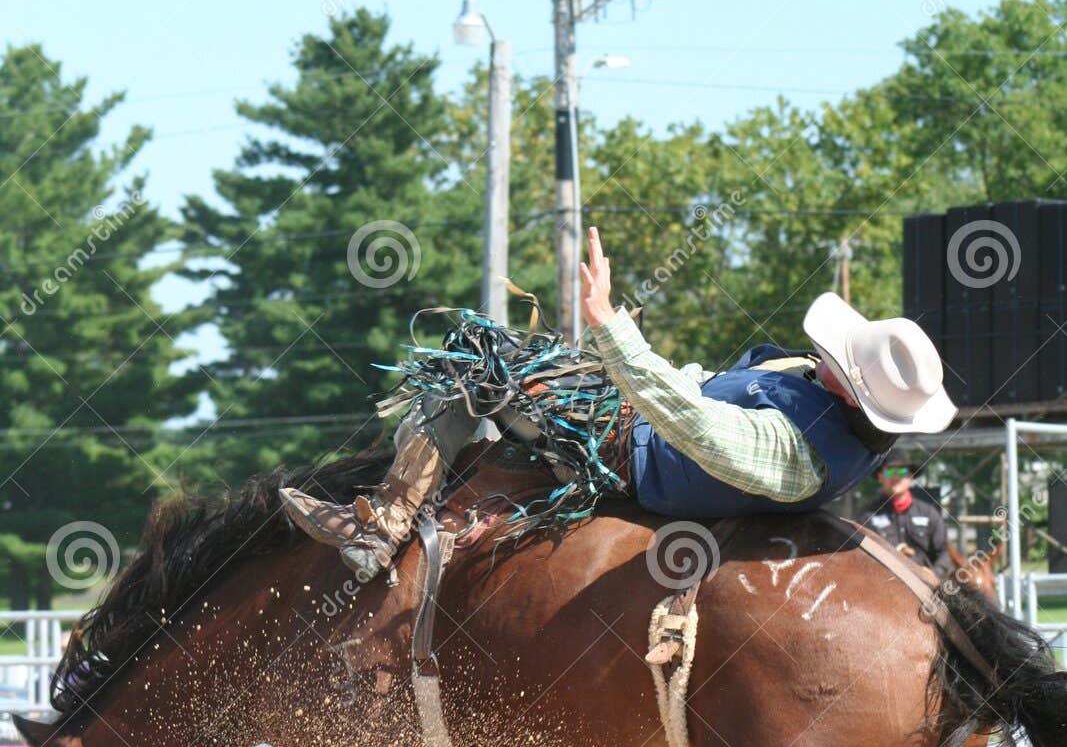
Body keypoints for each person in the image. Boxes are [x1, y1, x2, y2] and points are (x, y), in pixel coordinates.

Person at [281, 227, 957, 580]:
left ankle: (384, 526)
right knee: (504, 358)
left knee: (466, 364)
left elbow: (692, 424)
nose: (825, 357)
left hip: (629, 449)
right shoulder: (818, 397)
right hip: (630, 413)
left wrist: (609, 327)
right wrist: (617, 355)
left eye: (838, 359)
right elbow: (701, 383)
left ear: (851, 387)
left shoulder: (804, 456)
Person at [858, 462, 953, 579]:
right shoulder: (867, 516)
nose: (896, 476)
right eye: (890, 471)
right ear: (880, 476)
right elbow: (859, 557)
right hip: (881, 585)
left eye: (902, 471)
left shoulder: (929, 513)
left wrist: (934, 574)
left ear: (910, 476)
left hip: (924, 587)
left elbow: (945, 552)